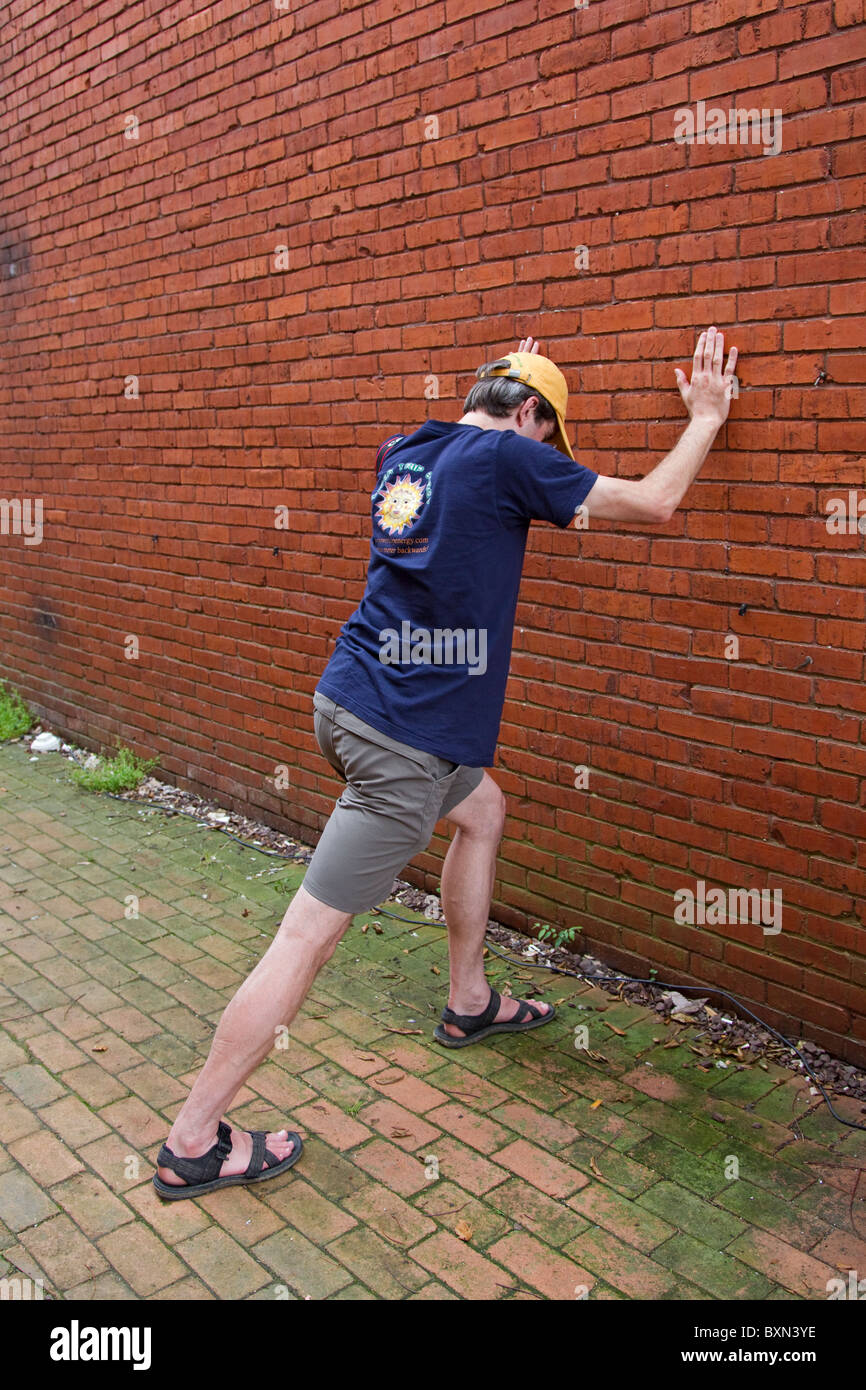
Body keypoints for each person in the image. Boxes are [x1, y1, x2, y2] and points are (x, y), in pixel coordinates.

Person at [153, 325, 738, 1198]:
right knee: (305, 939)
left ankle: (470, 999)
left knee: (484, 811)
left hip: (349, 700)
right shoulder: (507, 461)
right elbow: (653, 505)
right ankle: (194, 1139)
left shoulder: (410, 449)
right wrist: (705, 416)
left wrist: (512, 371)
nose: (549, 456)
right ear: (532, 416)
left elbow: (481, 460)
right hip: (404, 744)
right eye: (549, 434)